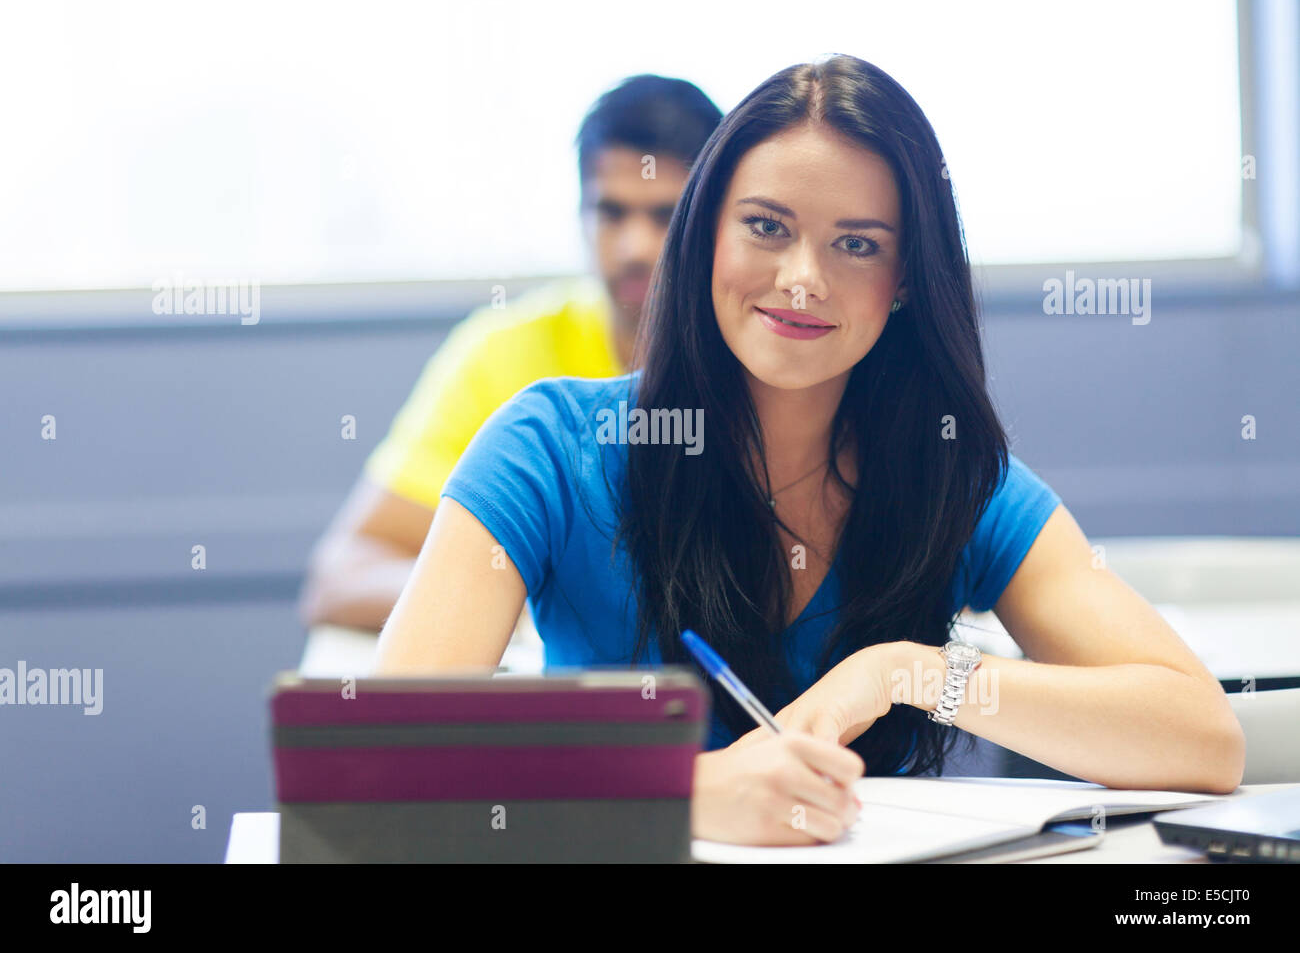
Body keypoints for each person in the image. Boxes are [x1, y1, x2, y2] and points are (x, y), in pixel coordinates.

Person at [373, 54, 1246, 846]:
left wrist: (911, 672)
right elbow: (378, 761)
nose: (802, 277)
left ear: (905, 281)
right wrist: (682, 791)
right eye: (765, 226)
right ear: (705, 234)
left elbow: (1201, 739)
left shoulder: (948, 477)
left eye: (856, 244)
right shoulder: (549, 448)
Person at [297, 75, 723, 631]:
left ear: (714, 223)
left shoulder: (760, 356)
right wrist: (507, 591)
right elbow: (340, 578)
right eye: (612, 212)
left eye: (665, 216)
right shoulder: (502, 353)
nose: (635, 247)